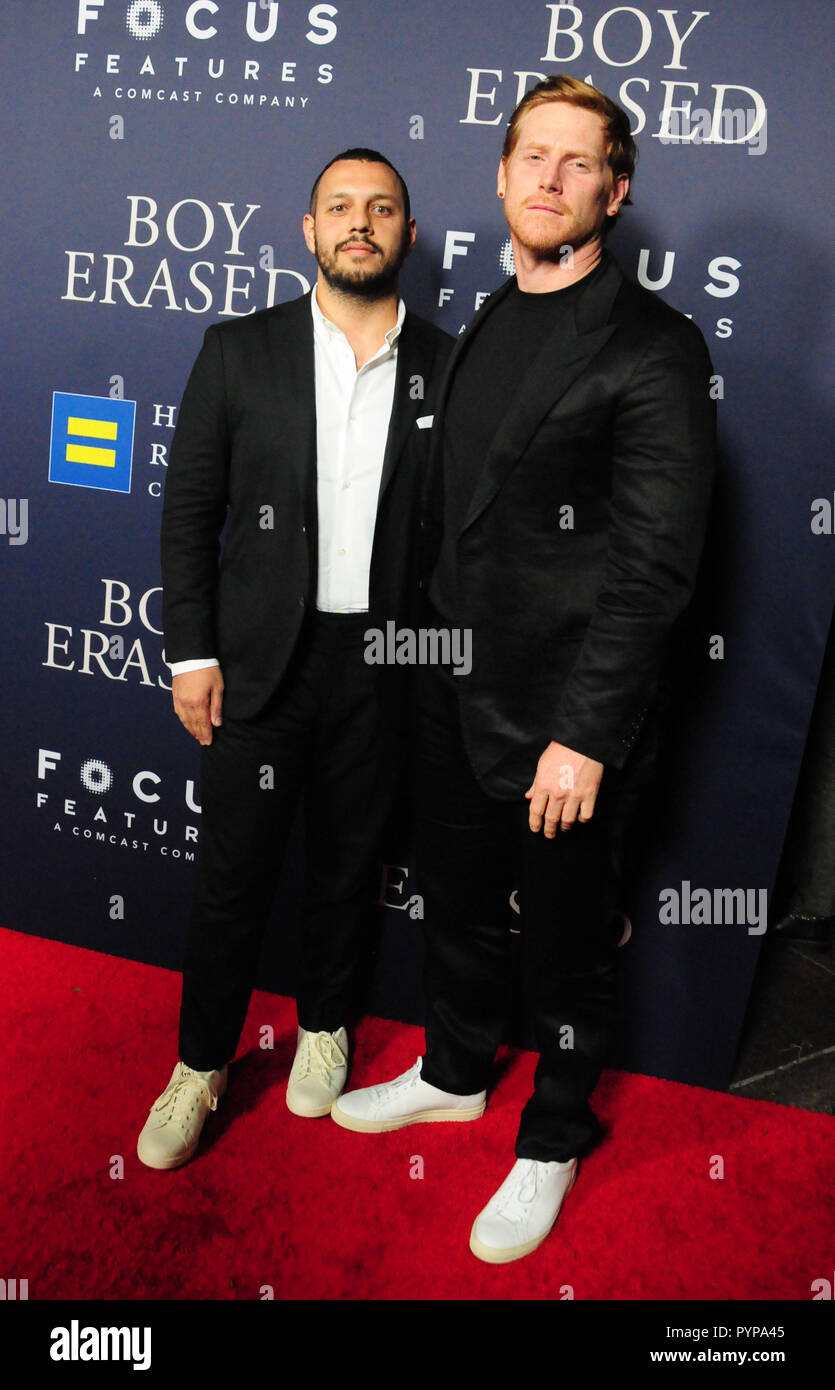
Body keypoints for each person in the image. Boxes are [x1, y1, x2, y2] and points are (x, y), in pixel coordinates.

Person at [332, 78, 717, 1264]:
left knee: (560, 942)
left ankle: (550, 1136)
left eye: (576, 162)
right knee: (455, 904)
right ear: (499, 175)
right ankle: (453, 1072)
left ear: (617, 187)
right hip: (449, 683)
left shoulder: (651, 347)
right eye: (530, 156)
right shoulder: (492, 313)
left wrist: (588, 734)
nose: (548, 179)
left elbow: (653, 571)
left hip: (563, 719)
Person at [137, 148, 452, 1170]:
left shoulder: (452, 368)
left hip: (386, 664)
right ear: (308, 231)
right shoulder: (239, 350)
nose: (359, 223)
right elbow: (189, 513)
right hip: (259, 661)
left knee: (348, 863)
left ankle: (326, 1026)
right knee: (231, 879)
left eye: (381, 209)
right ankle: (200, 1064)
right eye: (339, 208)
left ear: (407, 234)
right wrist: (191, 651)